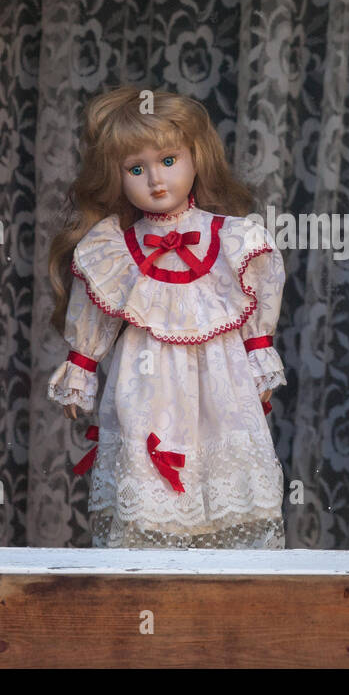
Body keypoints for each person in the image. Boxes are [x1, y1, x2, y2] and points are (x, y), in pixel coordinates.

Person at [45, 85, 287, 548]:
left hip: (221, 384)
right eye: (137, 169)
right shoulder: (112, 249)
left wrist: (259, 356)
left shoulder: (234, 239)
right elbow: (95, 320)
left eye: (169, 160)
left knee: (225, 489)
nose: (156, 180)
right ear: (116, 178)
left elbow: (259, 310)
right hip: (147, 385)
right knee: (148, 504)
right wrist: (82, 366)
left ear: (197, 157)